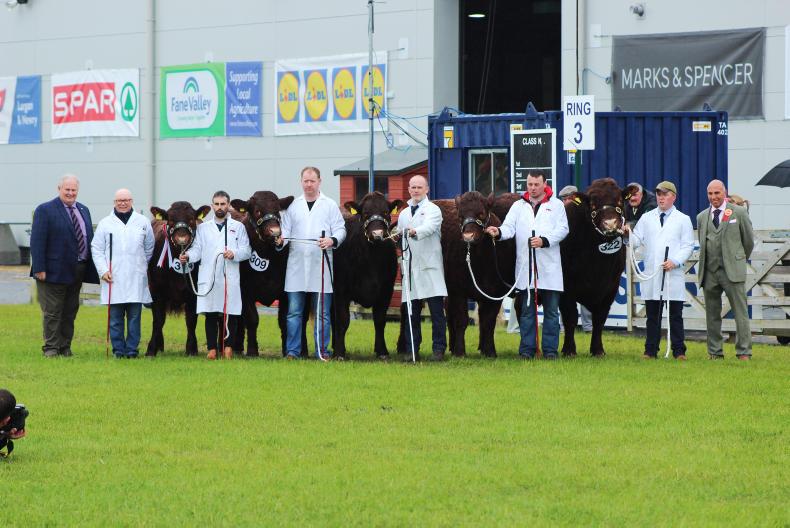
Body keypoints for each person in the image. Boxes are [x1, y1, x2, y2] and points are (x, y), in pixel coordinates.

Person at [486, 170, 569, 359]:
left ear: (545, 184)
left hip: (549, 268)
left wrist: (545, 241)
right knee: (526, 313)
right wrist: (497, 232)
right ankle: (526, 350)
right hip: (526, 267)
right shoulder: (518, 206)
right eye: (529, 184)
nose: (532, 188)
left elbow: (563, 229)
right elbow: (509, 228)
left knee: (551, 313)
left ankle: (549, 351)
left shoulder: (556, 205)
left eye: (536, 184)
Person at [277, 167, 346, 360]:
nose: (309, 184)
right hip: (297, 266)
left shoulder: (329, 204)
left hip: (321, 265)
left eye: (312, 181)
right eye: (305, 181)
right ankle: (293, 351)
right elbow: (285, 232)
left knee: (322, 313)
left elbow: (341, 229)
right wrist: (281, 240)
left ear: (319, 182)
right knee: (294, 312)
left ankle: (322, 351)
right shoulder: (293, 206)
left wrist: (332, 240)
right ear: (301, 182)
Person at [29, 174, 99, 357]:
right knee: (53, 311)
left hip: (78, 269)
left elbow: (87, 237)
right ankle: (51, 348)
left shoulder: (84, 209)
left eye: (73, 189)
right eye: (66, 189)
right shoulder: (45, 210)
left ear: (78, 190)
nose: (70, 193)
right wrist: (39, 268)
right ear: (59, 189)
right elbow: (37, 241)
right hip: (52, 271)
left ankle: (65, 346)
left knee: (70, 311)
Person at [628, 182, 694, 360]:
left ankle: (679, 351)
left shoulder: (683, 219)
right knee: (652, 315)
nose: (661, 197)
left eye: (665, 194)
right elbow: (636, 240)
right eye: (658, 194)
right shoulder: (647, 218)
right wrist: (626, 234)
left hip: (673, 273)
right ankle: (650, 350)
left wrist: (675, 261)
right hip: (653, 273)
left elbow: (688, 246)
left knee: (675, 315)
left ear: (673, 196)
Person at [180, 191, 250, 360]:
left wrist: (234, 253)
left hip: (229, 275)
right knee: (210, 312)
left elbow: (247, 250)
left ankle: (228, 347)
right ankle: (211, 348)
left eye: (223, 204)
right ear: (212, 206)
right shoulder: (203, 228)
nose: (220, 207)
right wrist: (188, 255)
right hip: (209, 275)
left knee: (230, 312)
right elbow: (197, 249)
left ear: (228, 205)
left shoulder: (238, 227)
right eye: (216, 204)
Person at [91, 189, 155, 358]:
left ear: (132, 201)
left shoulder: (142, 222)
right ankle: (118, 350)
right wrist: (103, 270)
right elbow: (96, 249)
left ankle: (132, 350)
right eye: (119, 200)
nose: (123, 203)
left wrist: (140, 265)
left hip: (135, 277)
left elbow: (149, 248)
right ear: (114, 202)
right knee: (115, 319)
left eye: (126, 199)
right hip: (113, 277)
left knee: (134, 318)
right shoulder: (105, 223)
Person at [697, 179, 754, 360]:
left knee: (740, 313)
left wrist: (737, 258)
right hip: (710, 272)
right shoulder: (701, 217)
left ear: (724, 192)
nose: (714, 197)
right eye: (710, 194)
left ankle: (744, 351)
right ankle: (715, 352)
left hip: (733, 271)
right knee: (712, 315)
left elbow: (748, 242)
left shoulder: (739, 212)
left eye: (717, 193)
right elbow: (703, 242)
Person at [395, 174, 448, 361]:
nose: (416, 190)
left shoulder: (433, 210)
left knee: (436, 312)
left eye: (419, 187)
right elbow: (399, 234)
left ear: (427, 189)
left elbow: (430, 228)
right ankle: (412, 349)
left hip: (430, 265)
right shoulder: (403, 214)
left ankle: (439, 349)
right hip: (410, 267)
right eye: (413, 187)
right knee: (412, 311)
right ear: (408, 189)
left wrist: (414, 231)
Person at [559, 185, 592, 332]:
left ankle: (588, 326)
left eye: (569, 198)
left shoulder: (586, 211)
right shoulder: (559, 212)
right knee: (564, 294)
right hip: (565, 258)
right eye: (564, 199)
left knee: (586, 292)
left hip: (583, 258)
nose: (566, 202)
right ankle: (563, 325)